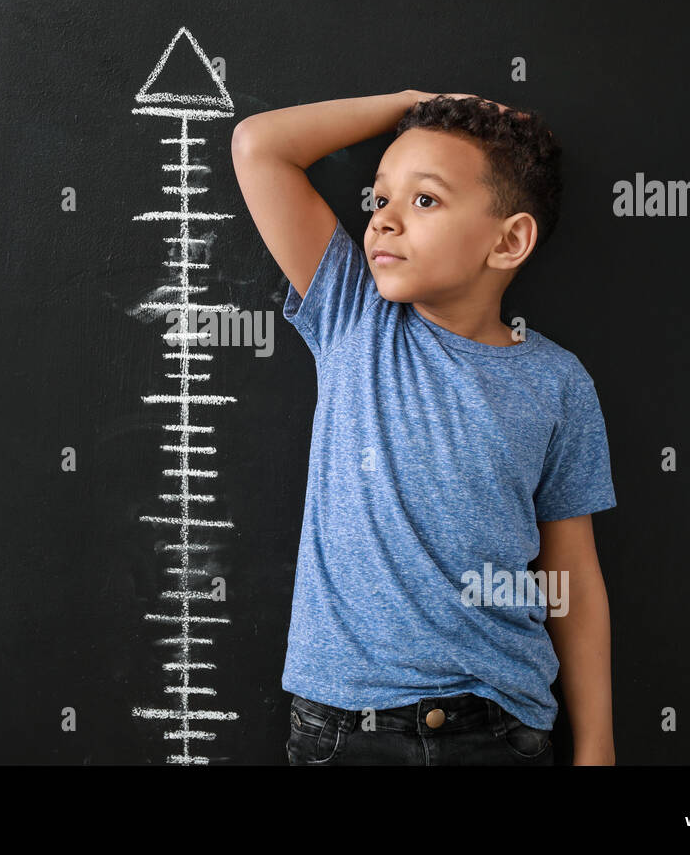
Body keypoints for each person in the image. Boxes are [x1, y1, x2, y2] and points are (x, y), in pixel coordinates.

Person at [231, 91, 617, 765]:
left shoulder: (559, 382)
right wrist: (414, 103)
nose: (383, 222)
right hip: (346, 728)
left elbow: (573, 575)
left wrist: (597, 746)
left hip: (501, 727)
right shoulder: (353, 318)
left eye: (425, 201)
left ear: (510, 240)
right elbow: (260, 146)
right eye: (380, 200)